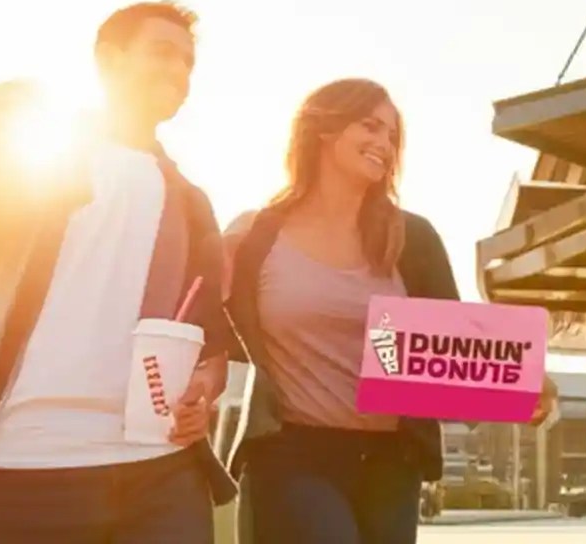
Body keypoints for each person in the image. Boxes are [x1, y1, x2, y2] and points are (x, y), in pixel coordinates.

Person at [0, 0, 240, 543]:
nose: (179, 73)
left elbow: (210, 348)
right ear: (108, 60)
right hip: (25, 463)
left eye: (188, 64)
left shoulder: (191, 202)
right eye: (162, 53)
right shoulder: (37, 158)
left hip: (161, 472)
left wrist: (203, 389)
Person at [221, 78, 557, 544]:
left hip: (390, 462)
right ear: (323, 129)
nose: (384, 143)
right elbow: (206, 326)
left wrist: (525, 382)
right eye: (370, 126)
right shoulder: (255, 236)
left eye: (392, 136)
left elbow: (457, 351)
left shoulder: (412, 239)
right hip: (290, 453)